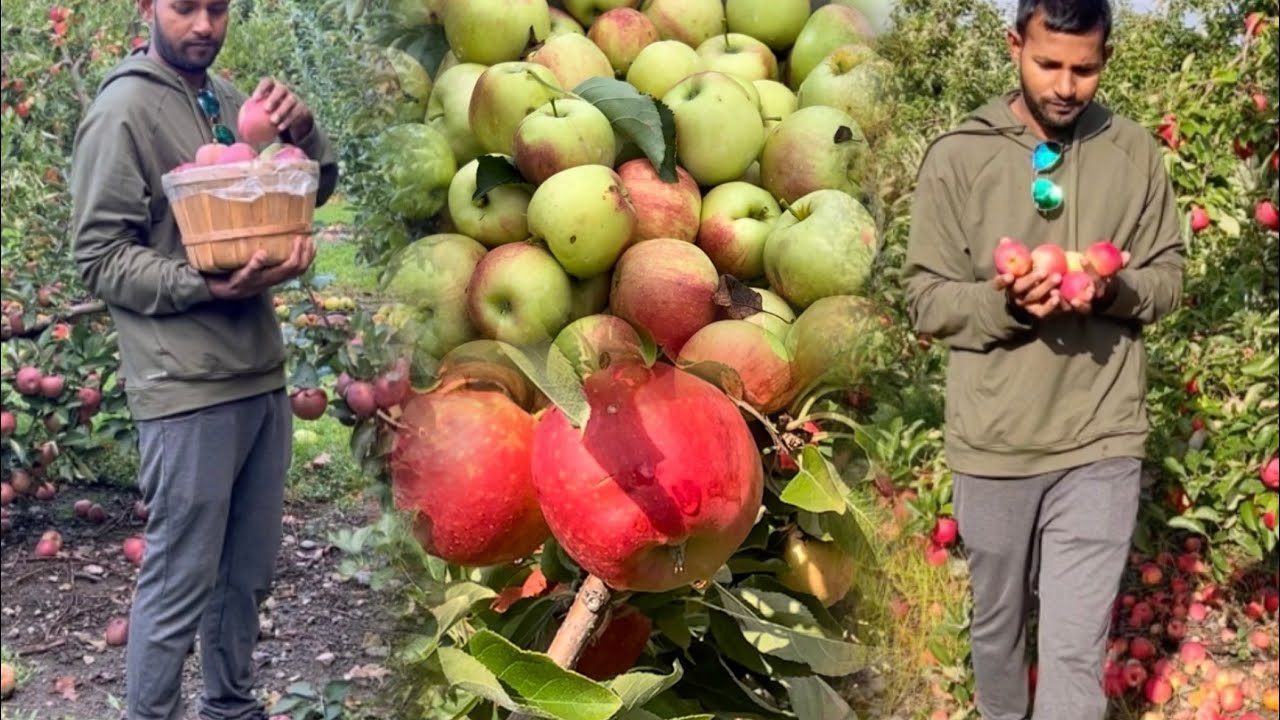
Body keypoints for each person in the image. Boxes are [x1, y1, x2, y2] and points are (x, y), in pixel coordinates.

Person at [901, 0, 1183, 718]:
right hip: (994, 443)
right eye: (1047, 63)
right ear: (1013, 45)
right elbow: (926, 300)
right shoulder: (958, 157)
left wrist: (1112, 290)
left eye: (1083, 69)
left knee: (1073, 648)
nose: (1065, 85)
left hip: (1100, 439)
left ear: (1105, 60)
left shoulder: (1134, 154)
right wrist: (1008, 305)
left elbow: (1168, 280)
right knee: (997, 633)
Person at [68, 0, 338, 717]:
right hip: (185, 386)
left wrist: (306, 137)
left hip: (259, 374)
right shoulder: (123, 111)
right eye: (184, 6)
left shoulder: (226, 100)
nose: (203, 25)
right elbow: (98, 258)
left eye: (217, 8)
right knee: (181, 577)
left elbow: (300, 195)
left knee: (246, 575)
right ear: (146, 8)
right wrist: (204, 284)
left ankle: (230, 706)